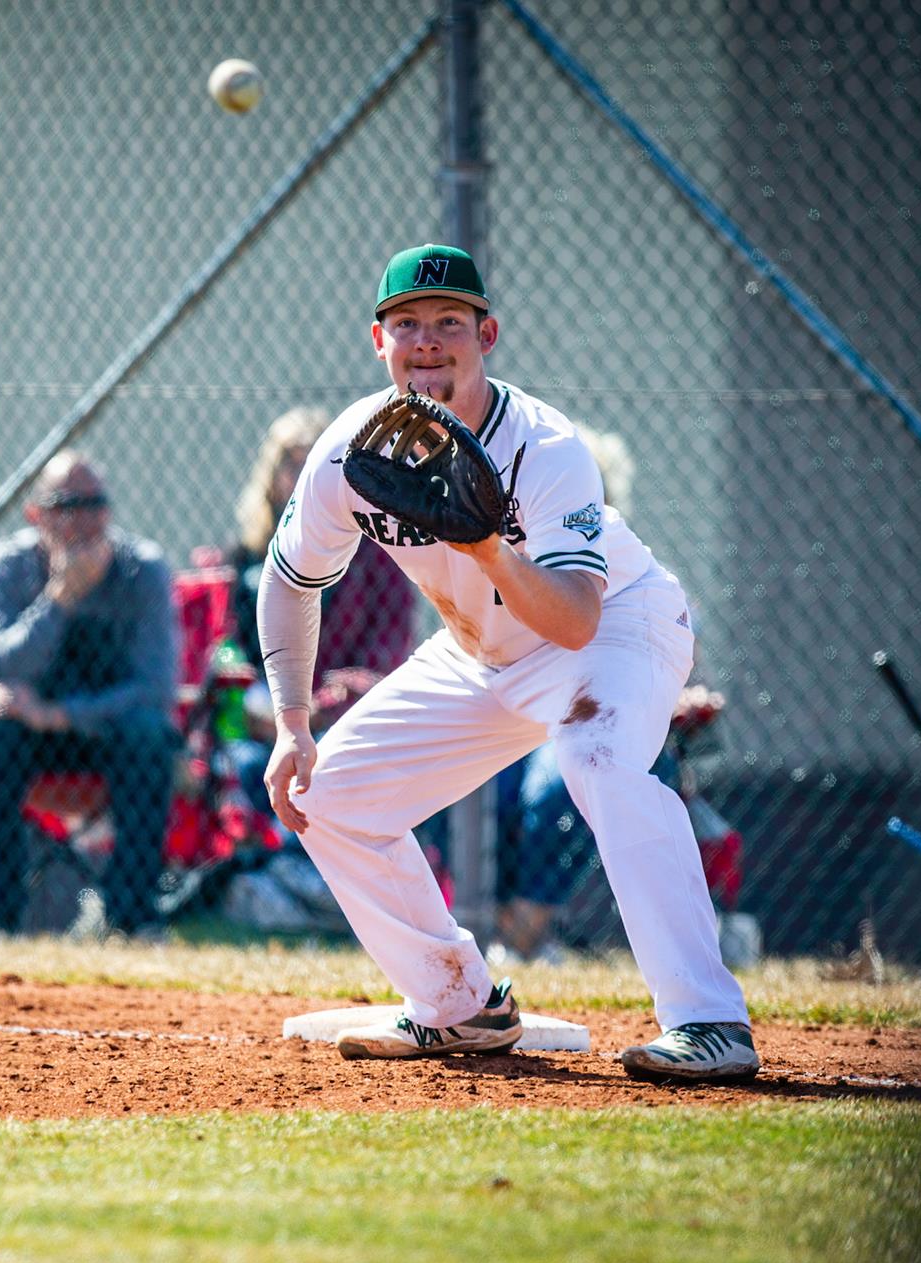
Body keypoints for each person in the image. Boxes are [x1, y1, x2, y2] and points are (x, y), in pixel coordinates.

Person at [260, 243, 758, 1082]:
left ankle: (708, 1018)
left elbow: (574, 618)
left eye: (449, 323)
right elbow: (288, 580)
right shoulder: (352, 451)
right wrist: (291, 723)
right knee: (326, 793)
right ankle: (458, 1006)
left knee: (596, 758)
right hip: (480, 652)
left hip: (617, 629)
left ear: (486, 334)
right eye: (406, 324)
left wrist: (487, 547)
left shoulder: (544, 448)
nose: (426, 341)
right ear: (376, 342)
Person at [0, 451, 179, 937]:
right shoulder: (6, 567)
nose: (83, 520)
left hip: (106, 732)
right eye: (67, 504)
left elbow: (156, 688)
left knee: (149, 734)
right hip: (30, 736)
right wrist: (59, 598)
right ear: (35, 514)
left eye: (95, 504)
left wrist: (61, 714)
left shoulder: (142, 570)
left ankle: (133, 918)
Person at [223, 406, 414, 813]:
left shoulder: (378, 555)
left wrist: (317, 708)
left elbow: (385, 658)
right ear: (271, 479)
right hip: (259, 724)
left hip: (342, 719)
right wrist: (253, 704)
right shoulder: (247, 559)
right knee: (236, 770)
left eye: (314, 463)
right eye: (291, 465)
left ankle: (299, 873)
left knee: (323, 772)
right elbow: (229, 651)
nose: (301, 478)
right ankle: (258, 872)